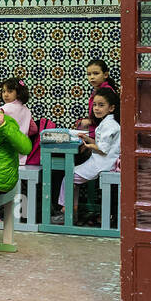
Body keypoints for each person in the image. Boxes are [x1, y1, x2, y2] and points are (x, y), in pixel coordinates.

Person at [55, 86, 121, 215]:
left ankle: (66, 208)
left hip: (102, 163)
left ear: (111, 108)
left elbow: (102, 149)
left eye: (101, 105)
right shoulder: (109, 122)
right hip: (104, 161)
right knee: (72, 176)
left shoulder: (109, 125)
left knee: (69, 177)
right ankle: (71, 208)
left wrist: (88, 145)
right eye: (95, 105)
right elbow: (102, 144)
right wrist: (86, 138)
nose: (96, 108)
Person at [0, 77, 33, 164]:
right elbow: (34, 129)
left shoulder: (4, 109)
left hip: (6, 154)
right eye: (3, 91)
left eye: (9, 91)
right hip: (22, 154)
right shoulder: (27, 110)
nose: (5, 94)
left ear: (18, 93)